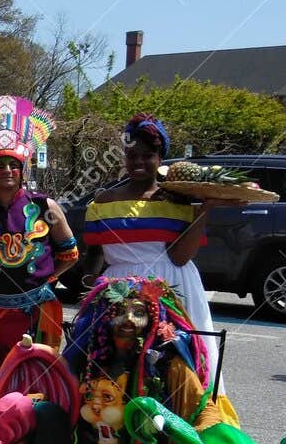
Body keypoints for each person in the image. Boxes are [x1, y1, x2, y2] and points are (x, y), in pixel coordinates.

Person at [25, 276, 226, 444]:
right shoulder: (90, 353)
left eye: (138, 313)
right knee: (39, 411)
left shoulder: (166, 363)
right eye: (119, 312)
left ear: (153, 318)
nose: (128, 320)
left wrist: (211, 441)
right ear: (104, 316)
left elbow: (203, 409)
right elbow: (56, 391)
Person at [81, 114, 218, 387]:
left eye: (148, 155)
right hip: (118, 289)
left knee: (171, 361)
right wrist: (88, 294)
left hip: (171, 285)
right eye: (132, 155)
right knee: (116, 361)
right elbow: (95, 253)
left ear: (160, 158)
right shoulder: (103, 201)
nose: (139, 161)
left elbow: (180, 256)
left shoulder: (177, 201)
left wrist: (207, 208)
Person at [0, 96, 79, 381]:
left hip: (37, 311)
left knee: (37, 380)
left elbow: (70, 253)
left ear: (23, 170)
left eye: (13, 165)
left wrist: (45, 281)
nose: (7, 172)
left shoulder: (45, 207)